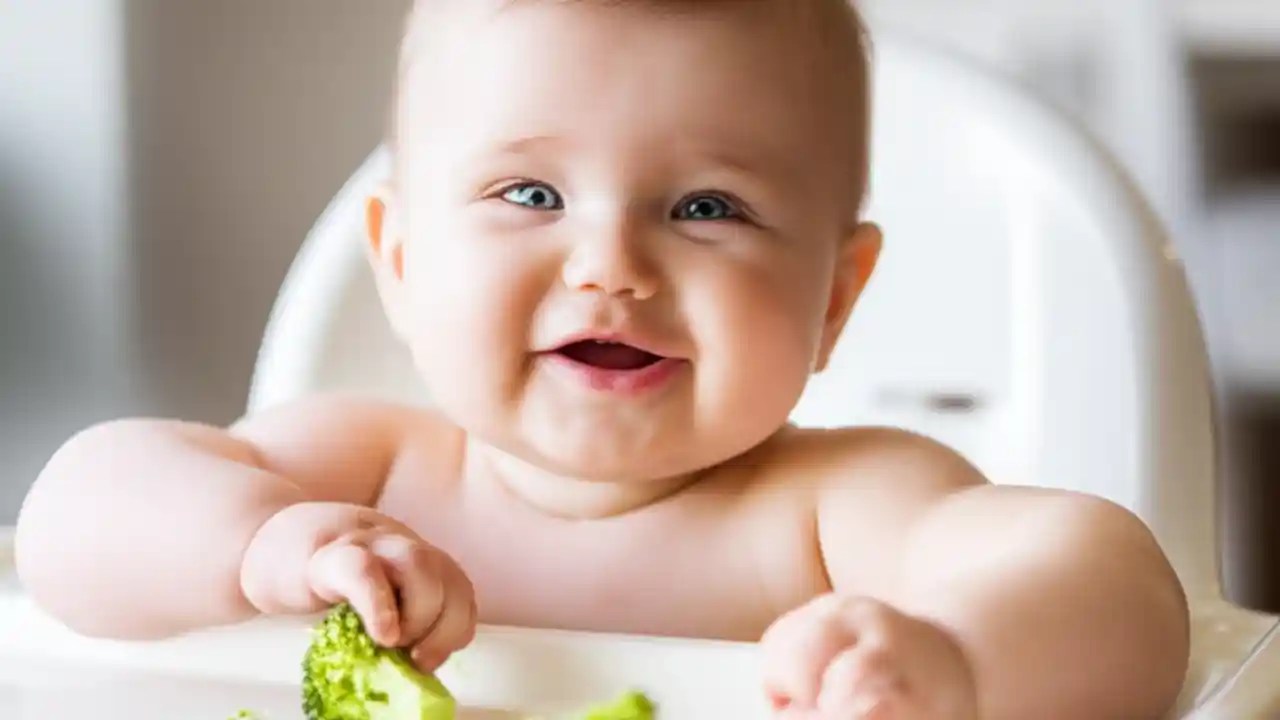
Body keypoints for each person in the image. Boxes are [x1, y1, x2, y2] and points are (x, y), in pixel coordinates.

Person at [14, 1, 1190, 717]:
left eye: (707, 206)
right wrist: (259, 548)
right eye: (530, 192)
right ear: (405, 262)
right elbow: (72, 524)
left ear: (831, 299)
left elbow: (1117, 591)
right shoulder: (357, 477)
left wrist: (953, 667)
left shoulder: (833, 512)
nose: (610, 266)